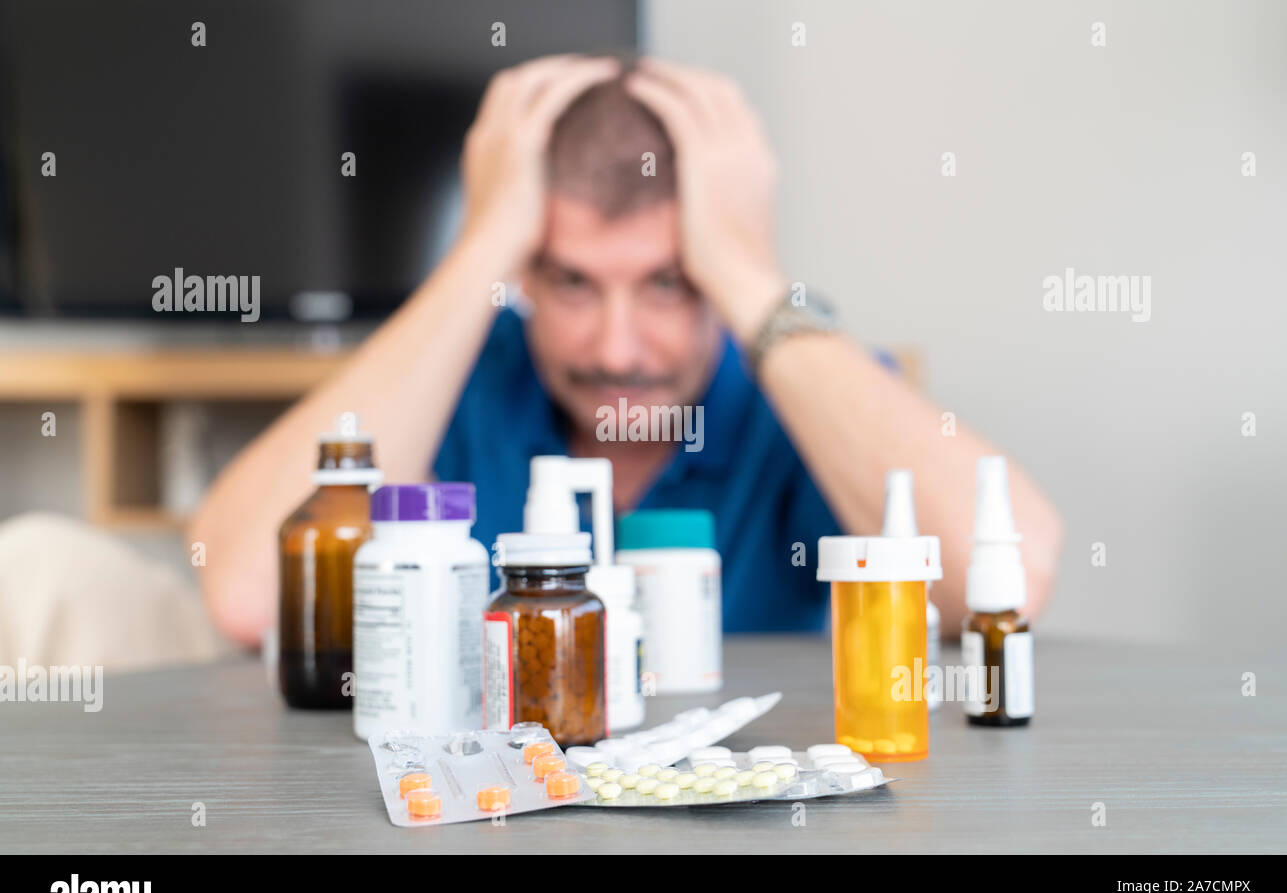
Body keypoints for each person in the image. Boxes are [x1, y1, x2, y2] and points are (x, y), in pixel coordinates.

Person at [190, 55, 1063, 646]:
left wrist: (749, 278)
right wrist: (477, 251)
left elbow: (1010, 580)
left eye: (668, 283)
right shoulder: (466, 375)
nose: (616, 348)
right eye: (571, 282)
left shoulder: (801, 387)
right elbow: (245, 596)